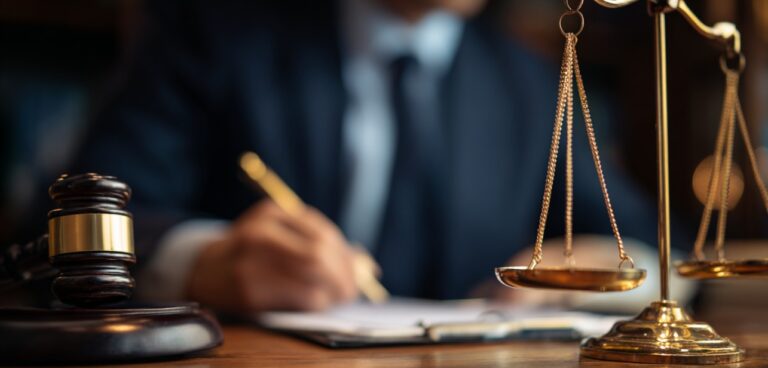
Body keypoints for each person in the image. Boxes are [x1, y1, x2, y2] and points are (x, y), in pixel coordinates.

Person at [73, 0, 672, 313]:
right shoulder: (214, 32)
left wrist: (595, 271)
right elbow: (72, 226)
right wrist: (203, 264)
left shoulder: (528, 82)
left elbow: (655, 245)